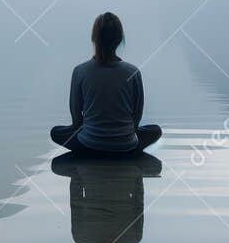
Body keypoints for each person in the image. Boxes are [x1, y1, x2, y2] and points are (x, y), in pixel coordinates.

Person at [50, 11, 162, 154]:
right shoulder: (133, 72)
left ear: (94, 38)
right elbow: (136, 119)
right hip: (125, 145)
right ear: (119, 39)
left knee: (56, 132)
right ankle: (126, 152)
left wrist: (94, 131)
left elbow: (77, 121)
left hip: (88, 145)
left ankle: (92, 153)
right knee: (155, 130)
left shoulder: (80, 71)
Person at [51, 151, 162, 243]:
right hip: (88, 166)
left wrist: (136, 172)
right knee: (56, 166)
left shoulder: (133, 239)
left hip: (128, 166)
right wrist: (79, 171)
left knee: (157, 167)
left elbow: (138, 200)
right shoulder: (81, 238)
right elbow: (76, 198)